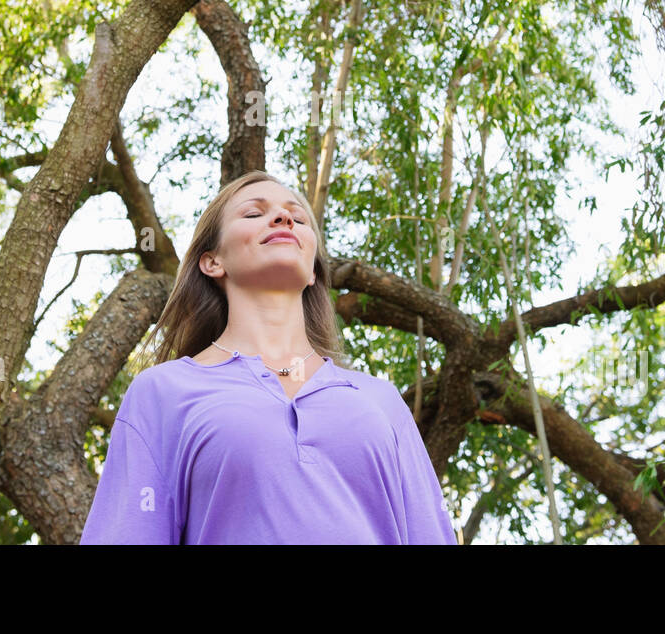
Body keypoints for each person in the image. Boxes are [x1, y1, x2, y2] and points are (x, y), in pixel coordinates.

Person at [78, 169, 458, 544]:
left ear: (312, 272)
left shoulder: (381, 400)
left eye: (298, 216)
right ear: (212, 262)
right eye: (254, 213)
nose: (284, 217)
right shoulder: (161, 392)